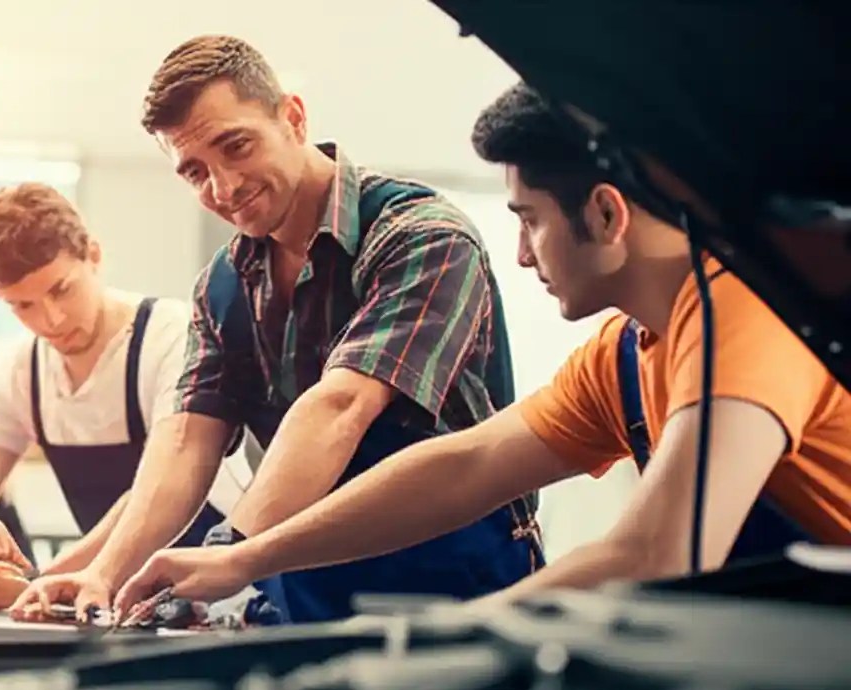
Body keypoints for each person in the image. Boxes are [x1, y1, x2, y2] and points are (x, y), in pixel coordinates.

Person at [113, 82, 851, 613]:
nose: (524, 257)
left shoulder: (746, 310)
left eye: (529, 221)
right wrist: (243, 557)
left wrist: (457, 636)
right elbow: (467, 465)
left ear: (605, 212)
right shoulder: (622, 357)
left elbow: (657, 551)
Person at [12, 35, 540, 624]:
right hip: (303, 598)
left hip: (453, 593)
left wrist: (224, 557)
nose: (224, 187)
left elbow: (340, 406)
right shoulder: (222, 287)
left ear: (292, 116)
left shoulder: (422, 238)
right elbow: (187, 441)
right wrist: (104, 574)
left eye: (235, 146)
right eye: (194, 172)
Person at [0, 182, 252, 572]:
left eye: (62, 290)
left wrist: (44, 579)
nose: (51, 320)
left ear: (93, 255)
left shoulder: (172, 336)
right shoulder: (21, 372)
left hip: (226, 583)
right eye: (23, 306)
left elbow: (155, 492)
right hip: (117, 588)